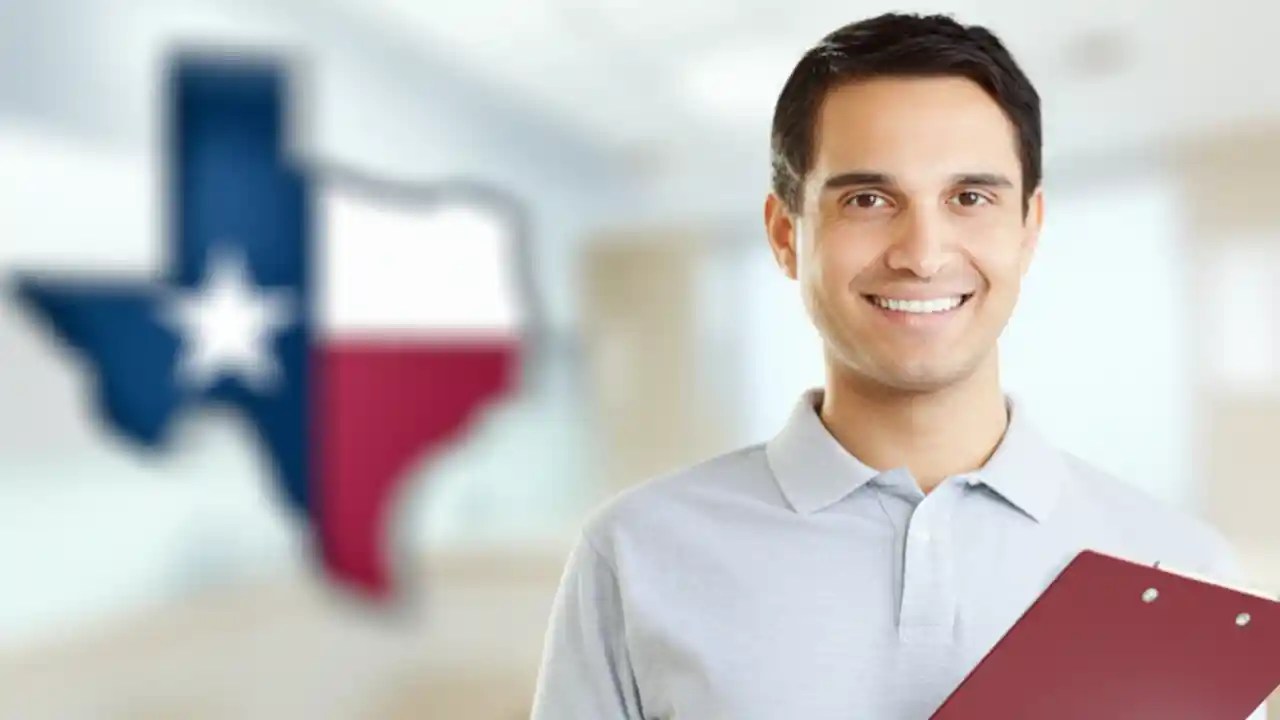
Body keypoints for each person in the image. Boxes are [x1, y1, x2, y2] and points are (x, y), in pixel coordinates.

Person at [530, 12, 1265, 719]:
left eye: (970, 197)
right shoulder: (634, 555)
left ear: (1029, 230)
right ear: (787, 235)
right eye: (869, 198)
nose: (922, 253)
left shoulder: (1179, 569)